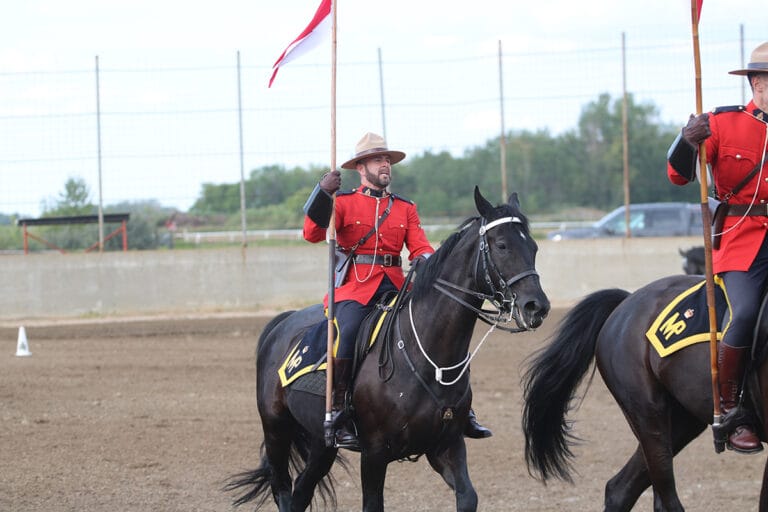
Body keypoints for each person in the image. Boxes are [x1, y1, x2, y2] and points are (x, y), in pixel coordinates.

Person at [302, 132, 492, 449]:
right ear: (361, 167)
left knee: (443, 328)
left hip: (397, 287)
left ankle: (461, 407)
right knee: (347, 331)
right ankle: (338, 411)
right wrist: (321, 193)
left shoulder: (404, 208)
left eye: (387, 159)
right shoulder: (344, 202)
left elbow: (420, 246)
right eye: (378, 159)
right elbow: (311, 233)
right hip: (357, 289)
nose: (385, 164)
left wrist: (429, 263)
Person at [666, 42, 768, 453]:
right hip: (744, 242)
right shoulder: (723, 124)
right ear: (758, 83)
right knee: (743, 314)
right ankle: (731, 409)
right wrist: (687, 141)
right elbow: (677, 175)